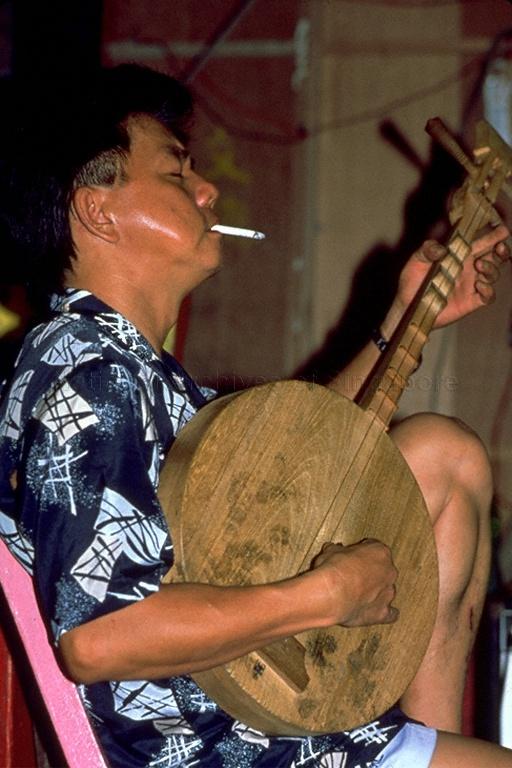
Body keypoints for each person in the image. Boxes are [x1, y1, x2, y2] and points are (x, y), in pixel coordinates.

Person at [0, 63, 511, 768]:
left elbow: (296, 465)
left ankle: (419, 744)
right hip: (214, 749)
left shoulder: (128, 368)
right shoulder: (88, 375)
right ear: (98, 210)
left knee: (440, 456)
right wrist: (322, 594)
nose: (206, 189)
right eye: (177, 174)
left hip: (258, 725)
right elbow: (100, 640)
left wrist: (408, 317)